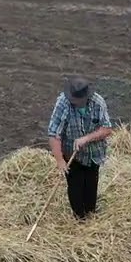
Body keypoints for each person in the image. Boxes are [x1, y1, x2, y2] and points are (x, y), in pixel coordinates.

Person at [47, 76, 114, 220]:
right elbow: (54, 134)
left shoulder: (98, 102)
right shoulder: (63, 103)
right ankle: (79, 218)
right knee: (75, 188)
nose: (74, 102)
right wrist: (60, 161)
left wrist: (86, 139)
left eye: (76, 100)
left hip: (93, 154)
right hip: (72, 155)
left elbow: (107, 129)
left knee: (91, 187)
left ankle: (90, 213)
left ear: (85, 97)